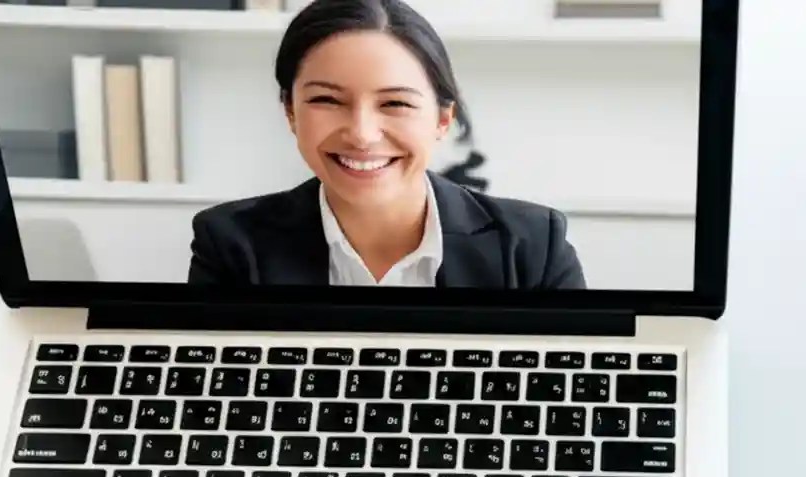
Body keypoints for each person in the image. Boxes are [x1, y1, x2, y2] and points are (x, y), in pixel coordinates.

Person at [187, 0, 586, 289]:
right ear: (291, 112)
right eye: (327, 100)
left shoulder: (533, 246)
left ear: (442, 119)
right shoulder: (230, 244)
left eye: (395, 103)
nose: (362, 134)